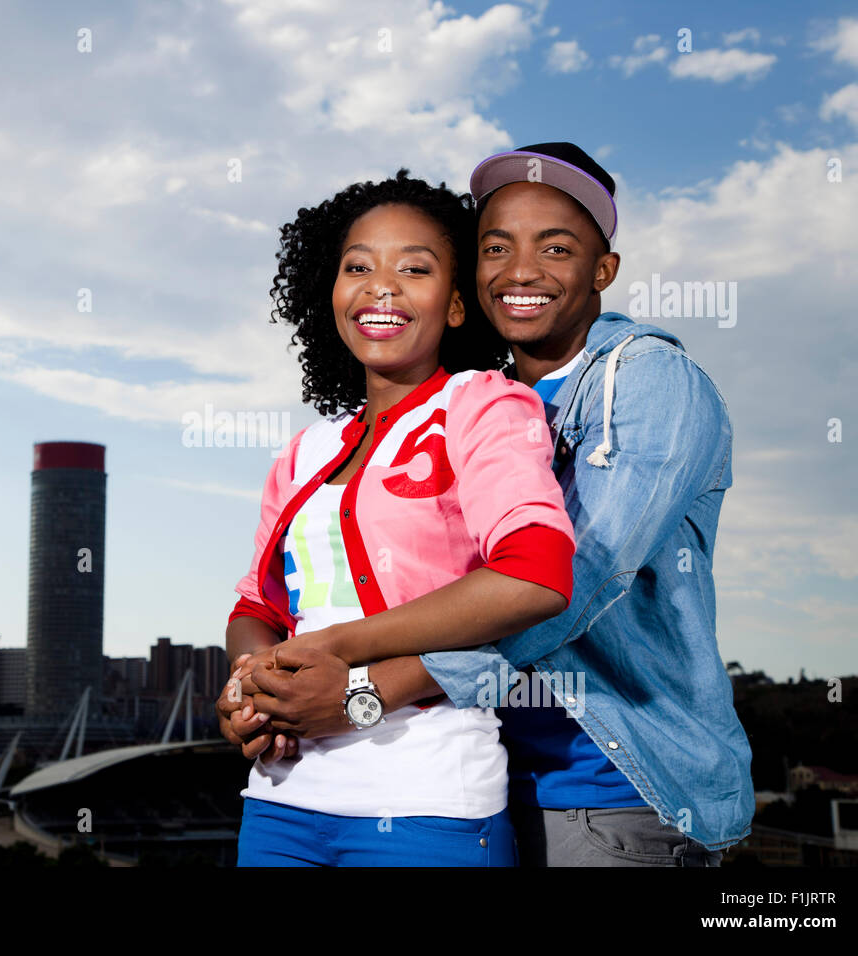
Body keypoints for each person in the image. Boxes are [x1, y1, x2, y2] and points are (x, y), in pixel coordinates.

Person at [229, 143, 755, 866]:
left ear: (603, 270)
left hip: (614, 784)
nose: (521, 272)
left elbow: (570, 587)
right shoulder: (480, 402)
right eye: (496, 248)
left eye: (556, 248)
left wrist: (360, 690)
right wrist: (262, 688)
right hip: (498, 772)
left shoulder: (650, 383)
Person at [220, 170, 577, 866]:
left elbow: (534, 576)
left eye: (414, 268)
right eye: (359, 267)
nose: (381, 285)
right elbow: (256, 604)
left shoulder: (483, 406)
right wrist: (249, 685)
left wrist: (339, 656)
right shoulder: (305, 449)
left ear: (454, 306)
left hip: (425, 805)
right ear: (331, 292)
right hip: (280, 803)